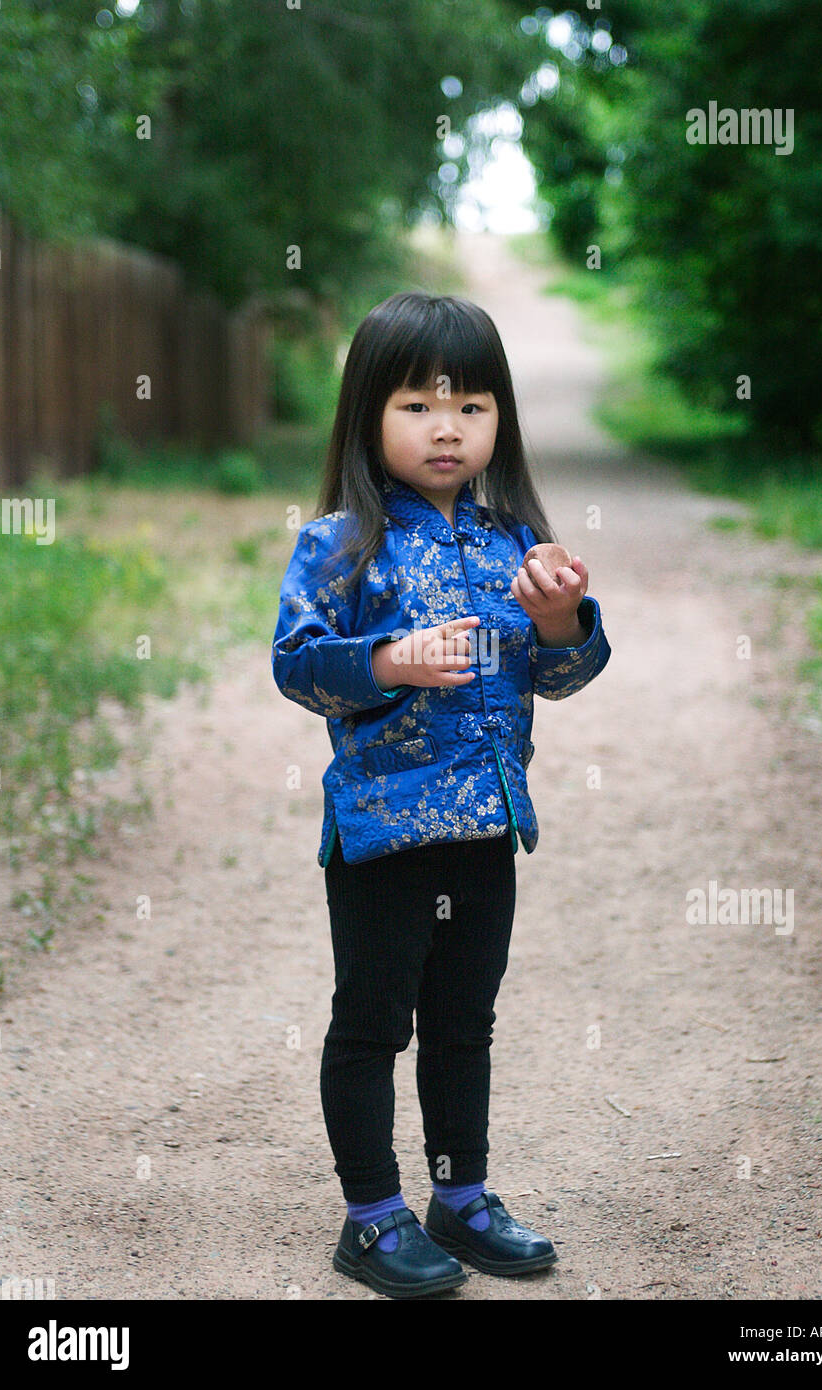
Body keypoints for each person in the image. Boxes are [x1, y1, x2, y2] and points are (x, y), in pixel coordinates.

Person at [271, 291, 612, 1298]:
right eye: (417, 404)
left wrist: (558, 623)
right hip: (380, 837)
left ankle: (458, 1196)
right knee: (372, 1022)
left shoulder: (516, 542)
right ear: (368, 416)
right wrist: (388, 660)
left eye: (469, 406)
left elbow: (562, 674)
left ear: (499, 418)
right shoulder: (338, 543)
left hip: (484, 829)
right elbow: (296, 666)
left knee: (465, 1022)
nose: (447, 427)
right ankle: (370, 1216)